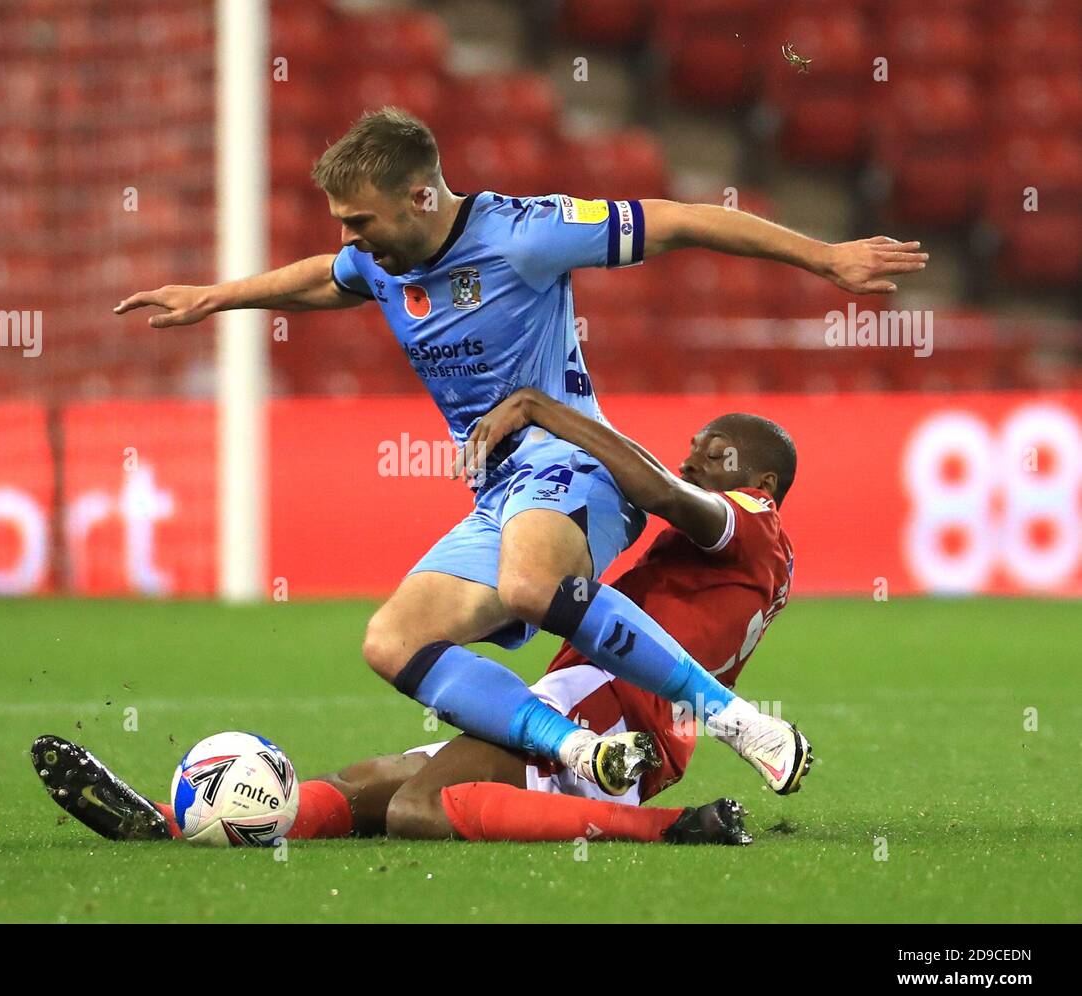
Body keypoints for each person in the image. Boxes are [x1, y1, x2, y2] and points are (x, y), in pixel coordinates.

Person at [114, 107, 917, 792]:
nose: (352, 238)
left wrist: (824, 257)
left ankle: (739, 721)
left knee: (533, 584)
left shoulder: (524, 233)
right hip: (499, 492)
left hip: (577, 463)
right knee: (391, 641)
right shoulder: (380, 257)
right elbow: (331, 278)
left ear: (422, 194)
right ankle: (576, 747)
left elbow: (678, 221)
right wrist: (215, 297)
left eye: (360, 219)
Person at [34, 397, 800, 847]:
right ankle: (168, 822)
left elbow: (663, 492)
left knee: (418, 807)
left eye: (715, 454)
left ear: (760, 483)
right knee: (364, 784)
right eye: (692, 448)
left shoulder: (751, 522)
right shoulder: (755, 557)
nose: (692, 461)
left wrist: (546, 412)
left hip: (606, 714)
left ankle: (669, 828)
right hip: (604, 708)